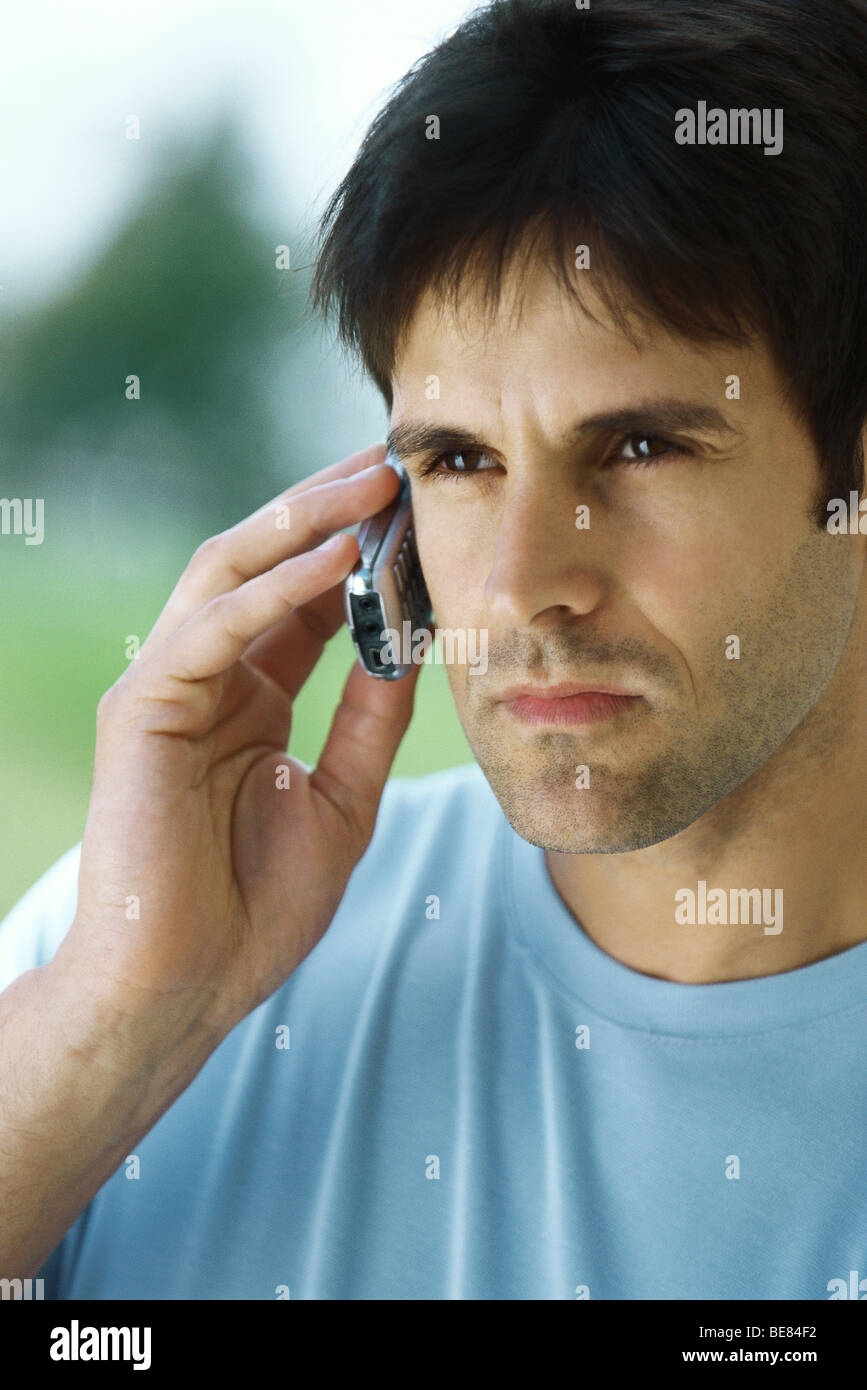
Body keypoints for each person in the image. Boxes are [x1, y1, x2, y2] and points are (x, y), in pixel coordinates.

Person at [2, 0, 866, 1300]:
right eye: (459, 460)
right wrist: (118, 1020)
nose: (521, 585)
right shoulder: (138, 947)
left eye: (638, 446)